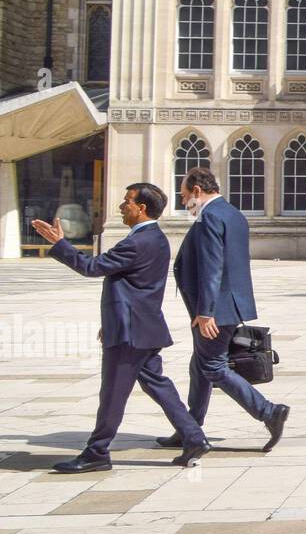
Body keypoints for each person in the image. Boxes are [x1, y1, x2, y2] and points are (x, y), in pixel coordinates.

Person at [32, 183, 210, 472]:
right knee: (158, 386)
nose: (121, 206)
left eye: (127, 201)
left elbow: (92, 267)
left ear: (141, 208)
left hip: (131, 332)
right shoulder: (155, 238)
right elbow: (133, 287)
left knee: (113, 392)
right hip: (141, 327)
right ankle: (193, 436)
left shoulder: (137, 242)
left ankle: (97, 452)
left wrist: (59, 245)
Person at [163, 167, 289, 452]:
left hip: (214, 309)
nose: (184, 204)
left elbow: (212, 268)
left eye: (184, 197)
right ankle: (190, 427)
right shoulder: (233, 213)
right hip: (230, 304)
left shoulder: (209, 217)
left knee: (213, 366)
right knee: (200, 365)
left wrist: (206, 312)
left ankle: (269, 411)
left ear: (197, 191)